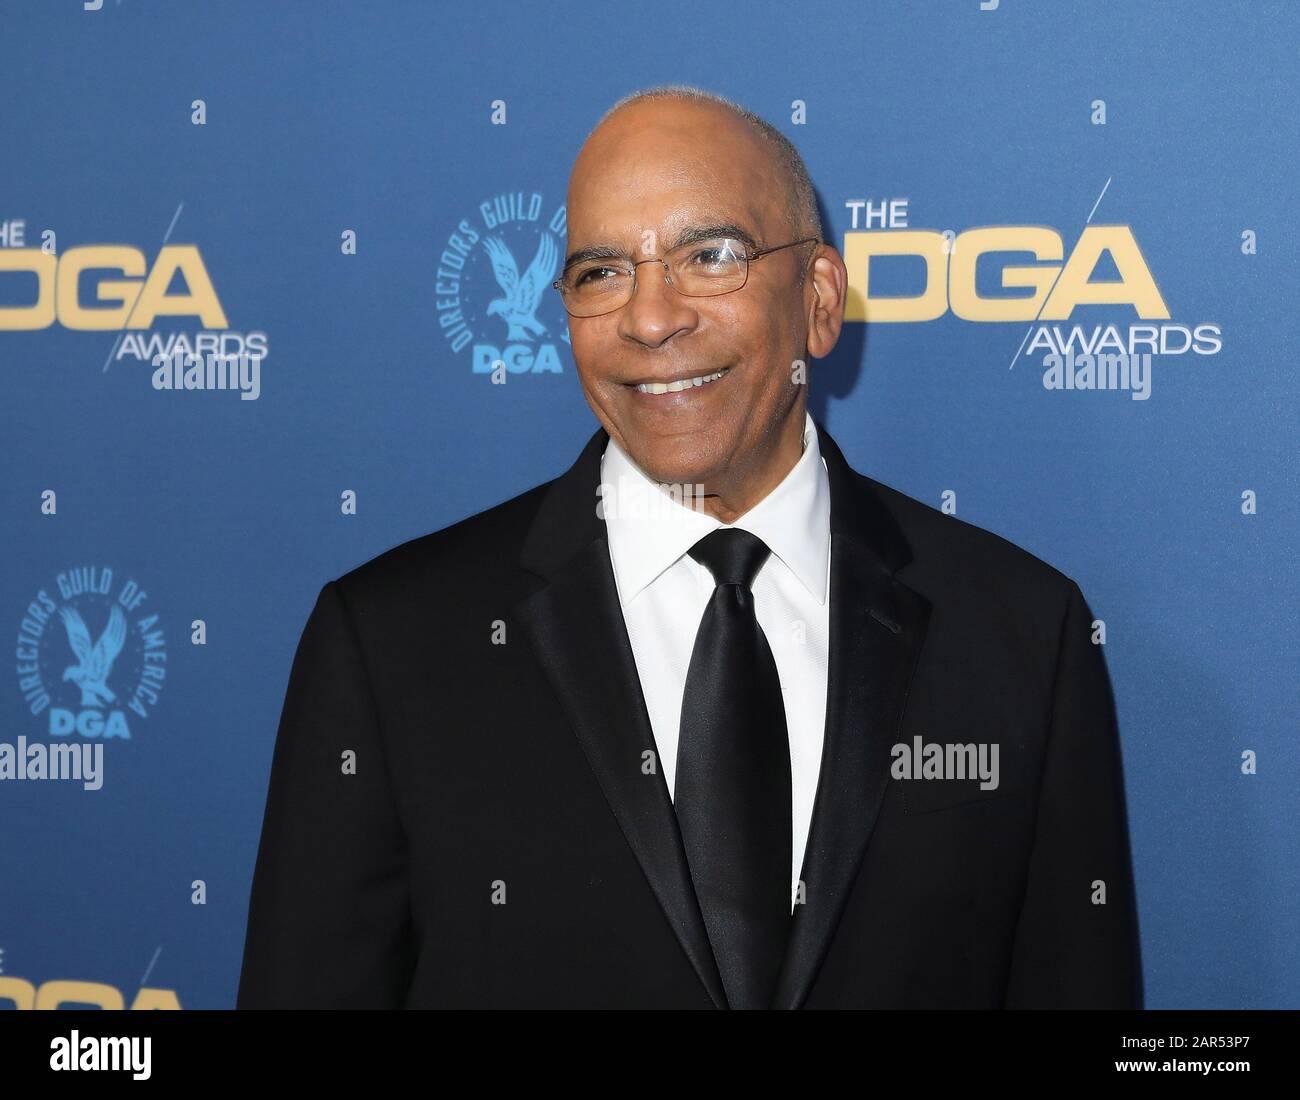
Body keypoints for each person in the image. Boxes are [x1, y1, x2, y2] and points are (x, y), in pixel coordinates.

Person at [237, 85, 1141, 1009]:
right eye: (600, 272)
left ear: (820, 302)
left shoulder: (1023, 632)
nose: (650, 316)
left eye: (710, 256)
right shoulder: (392, 645)